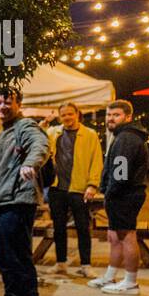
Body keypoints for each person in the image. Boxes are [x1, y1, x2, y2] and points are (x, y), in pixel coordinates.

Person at [0, 87, 50, 296]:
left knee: (19, 259)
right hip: (3, 200)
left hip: (18, 200)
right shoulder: (4, 132)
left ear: (19, 104)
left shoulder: (25, 126)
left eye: (8, 102)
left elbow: (41, 144)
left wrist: (30, 164)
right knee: (4, 259)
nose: (2, 107)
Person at [89, 100, 149, 294]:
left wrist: (109, 191)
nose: (110, 118)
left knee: (127, 236)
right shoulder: (124, 136)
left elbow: (121, 173)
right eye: (108, 115)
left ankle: (130, 283)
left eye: (116, 115)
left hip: (125, 195)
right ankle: (109, 277)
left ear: (128, 117)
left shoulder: (127, 138)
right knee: (114, 237)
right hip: (121, 194)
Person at [46, 102, 103, 278]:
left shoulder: (90, 134)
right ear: (59, 116)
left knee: (83, 227)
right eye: (63, 115)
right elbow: (39, 145)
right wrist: (42, 125)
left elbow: (97, 160)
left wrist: (93, 184)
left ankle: (86, 264)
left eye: (70, 114)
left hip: (80, 188)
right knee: (58, 227)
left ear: (78, 114)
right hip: (57, 187)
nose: (67, 118)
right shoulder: (52, 133)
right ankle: (60, 263)